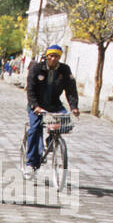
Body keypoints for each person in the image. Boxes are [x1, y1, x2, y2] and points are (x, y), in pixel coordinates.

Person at [23, 44, 79, 174]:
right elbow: (30, 89)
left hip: (54, 104)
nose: (54, 59)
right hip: (37, 105)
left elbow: (71, 90)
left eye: (57, 56)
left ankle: (52, 140)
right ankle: (31, 163)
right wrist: (35, 106)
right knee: (35, 129)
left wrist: (74, 107)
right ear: (47, 56)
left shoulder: (64, 70)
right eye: (51, 56)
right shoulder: (37, 68)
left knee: (66, 122)